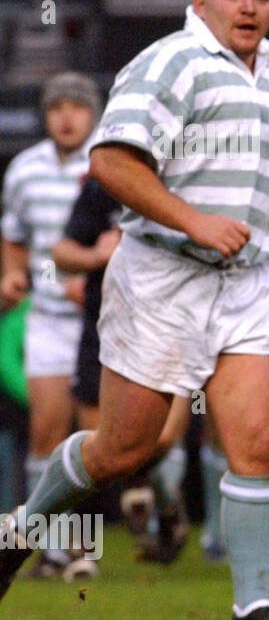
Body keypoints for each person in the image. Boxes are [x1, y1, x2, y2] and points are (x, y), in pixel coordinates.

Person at [0, 0, 269, 620]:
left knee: (258, 439)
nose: (248, 7)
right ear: (199, 1)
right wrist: (192, 219)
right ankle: (22, 528)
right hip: (159, 275)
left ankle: (253, 611)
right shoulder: (167, 63)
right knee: (125, 449)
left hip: (242, 282)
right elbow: (111, 162)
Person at [52, 177, 192, 564]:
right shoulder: (104, 184)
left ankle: (156, 499)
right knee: (96, 443)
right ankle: (81, 553)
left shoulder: (192, 179)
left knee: (160, 438)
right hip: (106, 325)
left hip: (172, 322)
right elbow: (61, 253)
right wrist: (95, 257)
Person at [1, 73, 98, 580]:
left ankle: (85, 544)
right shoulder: (24, 169)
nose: (66, 115)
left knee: (98, 438)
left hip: (104, 322)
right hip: (48, 321)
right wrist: (13, 275)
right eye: (57, 106)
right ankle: (53, 549)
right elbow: (14, 236)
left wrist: (93, 281)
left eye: (77, 107)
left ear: (93, 114)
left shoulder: (110, 165)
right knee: (46, 432)